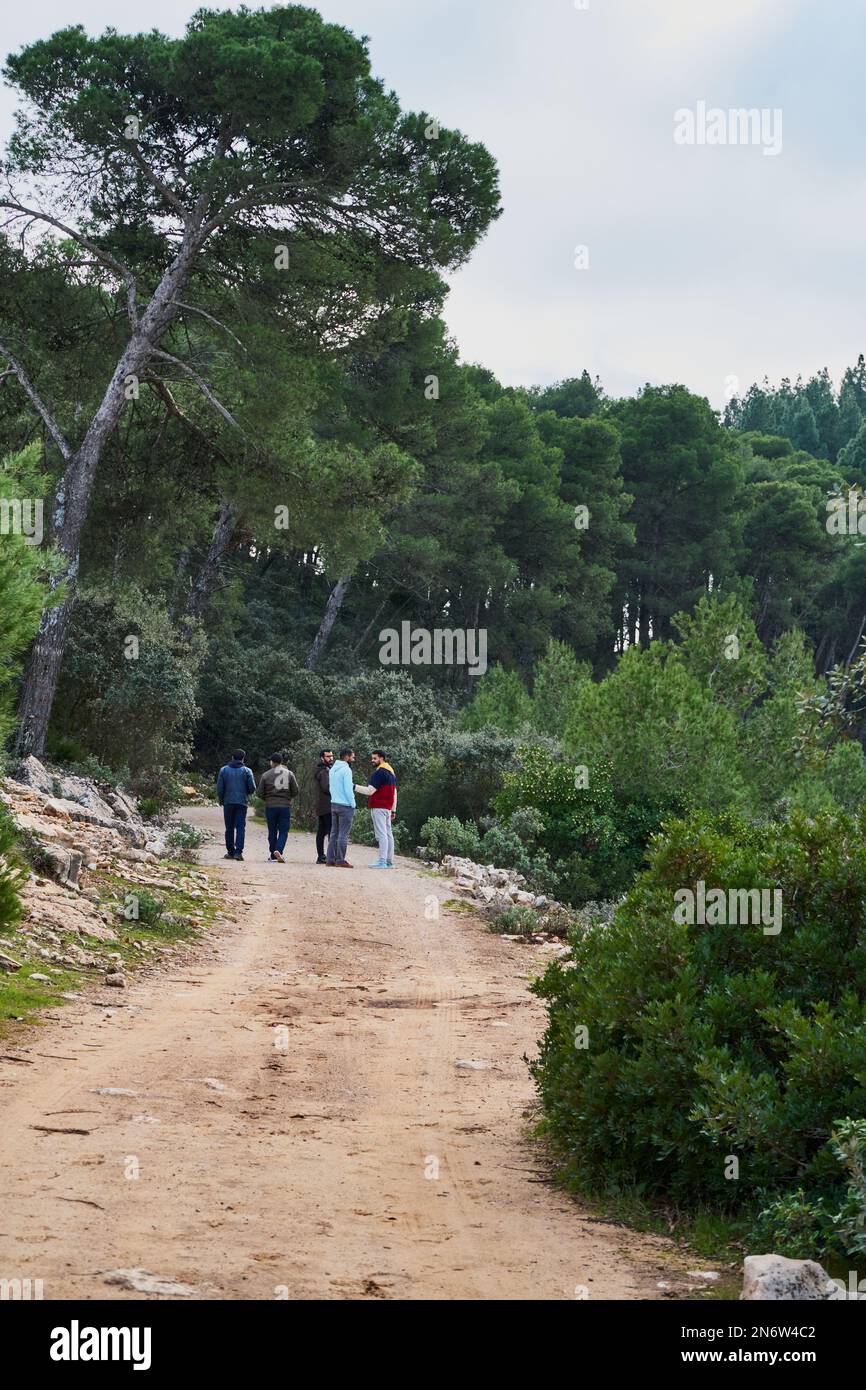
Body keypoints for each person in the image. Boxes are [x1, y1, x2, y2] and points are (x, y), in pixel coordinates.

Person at [354, 750, 397, 868]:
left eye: (375, 758)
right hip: (387, 808)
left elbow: (370, 791)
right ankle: (389, 861)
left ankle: (382, 861)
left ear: (381, 759)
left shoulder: (379, 773)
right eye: (372, 758)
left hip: (379, 806)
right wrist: (394, 810)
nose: (372, 761)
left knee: (381, 834)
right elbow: (394, 794)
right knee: (388, 834)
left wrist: (353, 786)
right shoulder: (391, 773)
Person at [257, 753, 299, 863]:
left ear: (272, 762)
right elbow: (296, 790)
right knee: (284, 830)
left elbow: (260, 792)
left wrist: (267, 799)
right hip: (285, 806)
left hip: (271, 806)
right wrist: (288, 797)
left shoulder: (266, 775)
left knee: (272, 830)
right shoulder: (289, 774)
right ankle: (278, 850)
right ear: (281, 762)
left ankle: (273, 854)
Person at [216, 749, 256, 861]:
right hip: (242, 802)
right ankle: (238, 852)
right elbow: (252, 788)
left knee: (229, 828)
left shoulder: (223, 770)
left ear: (232, 757)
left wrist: (221, 799)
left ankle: (230, 852)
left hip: (228, 802)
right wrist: (246, 793)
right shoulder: (247, 771)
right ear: (243, 759)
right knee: (240, 828)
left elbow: (220, 788)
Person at [325, 747, 356, 868]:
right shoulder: (346, 770)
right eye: (352, 756)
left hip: (334, 804)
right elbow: (348, 789)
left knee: (334, 833)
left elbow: (331, 787)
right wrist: (353, 803)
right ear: (347, 756)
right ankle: (340, 860)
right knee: (343, 834)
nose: (353, 759)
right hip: (345, 806)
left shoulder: (332, 769)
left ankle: (330, 859)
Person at [314, 749, 334, 864]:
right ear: (322, 758)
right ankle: (329, 857)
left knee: (321, 831)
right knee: (330, 831)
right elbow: (326, 788)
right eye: (328, 756)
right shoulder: (324, 771)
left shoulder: (322, 769)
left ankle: (321, 856)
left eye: (331, 756)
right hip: (327, 805)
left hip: (322, 805)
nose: (330, 758)